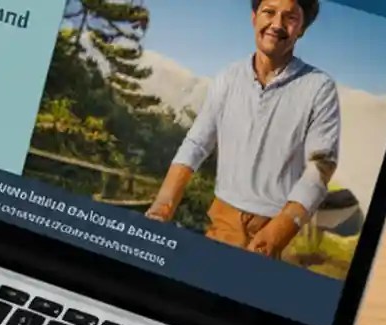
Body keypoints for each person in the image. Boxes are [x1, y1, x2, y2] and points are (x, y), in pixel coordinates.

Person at [146, 0, 341, 259]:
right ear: (254, 17)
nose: (277, 25)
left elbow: (320, 168)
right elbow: (196, 144)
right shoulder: (228, 77)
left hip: (277, 228)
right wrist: (163, 206)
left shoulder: (319, 88)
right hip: (222, 222)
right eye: (269, 12)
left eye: (290, 17)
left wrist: (279, 231)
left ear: (302, 28)